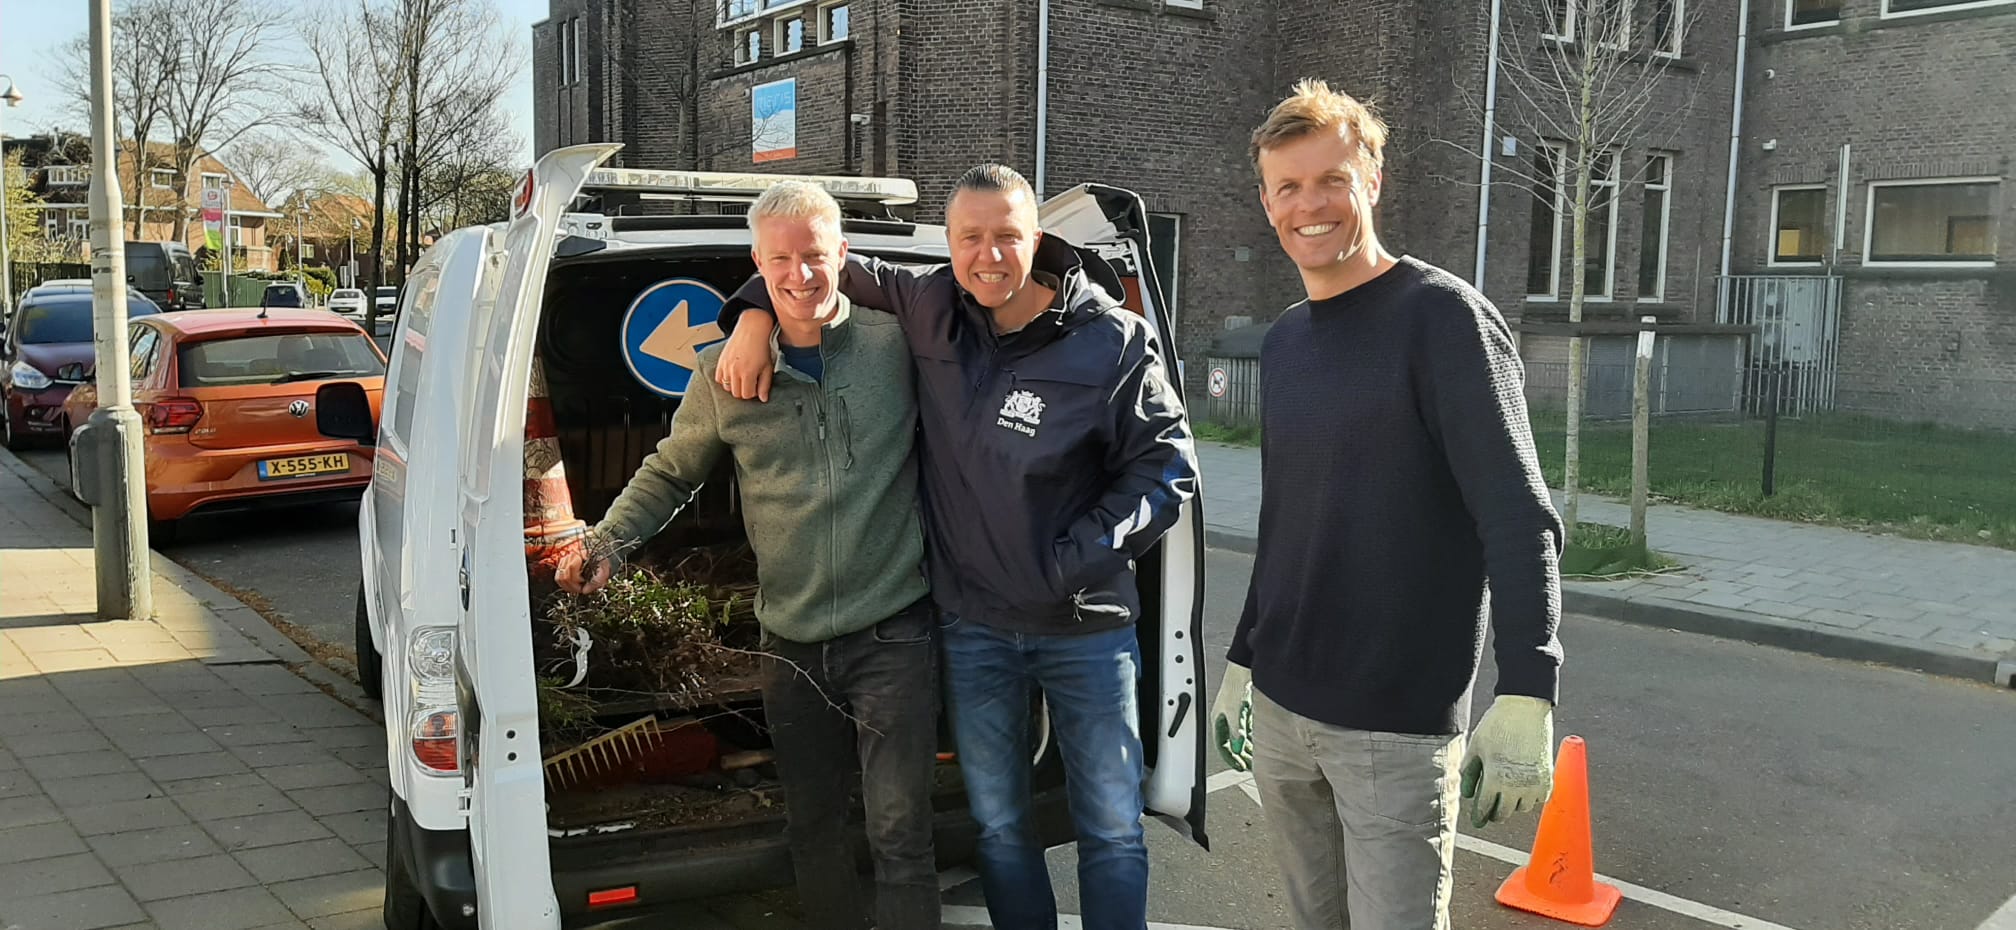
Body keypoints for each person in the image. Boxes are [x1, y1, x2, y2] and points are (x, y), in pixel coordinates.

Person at [713, 164, 1199, 930]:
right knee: (1002, 832)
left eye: (1007, 235)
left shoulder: (1111, 339)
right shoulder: (932, 304)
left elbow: (1168, 471)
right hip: (973, 628)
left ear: (1037, 239)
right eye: (970, 238)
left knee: (1110, 828)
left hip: (1086, 627)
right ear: (949, 245)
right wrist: (748, 314)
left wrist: (1069, 561)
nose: (989, 255)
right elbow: (811, 270)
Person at [1211, 79, 1567, 929]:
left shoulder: (1443, 320)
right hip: (1286, 712)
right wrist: (1242, 661)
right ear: (1267, 203)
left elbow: (1518, 517)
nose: (1311, 204)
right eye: (1288, 187)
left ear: (1372, 179)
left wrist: (1528, 692)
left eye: (1331, 178)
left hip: (1393, 727)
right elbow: (1286, 521)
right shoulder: (1288, 340)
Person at [556, 181, 941, 930]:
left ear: (845, 255)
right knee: (815, 828)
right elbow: (670, 473)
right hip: (790, 646)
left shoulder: (899, 348)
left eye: (817, 256)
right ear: (756, 264)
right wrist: (607, 544)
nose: (801, 275)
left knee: (901, 832)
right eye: (781, 261)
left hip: (894, 632)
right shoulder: (720, 375)